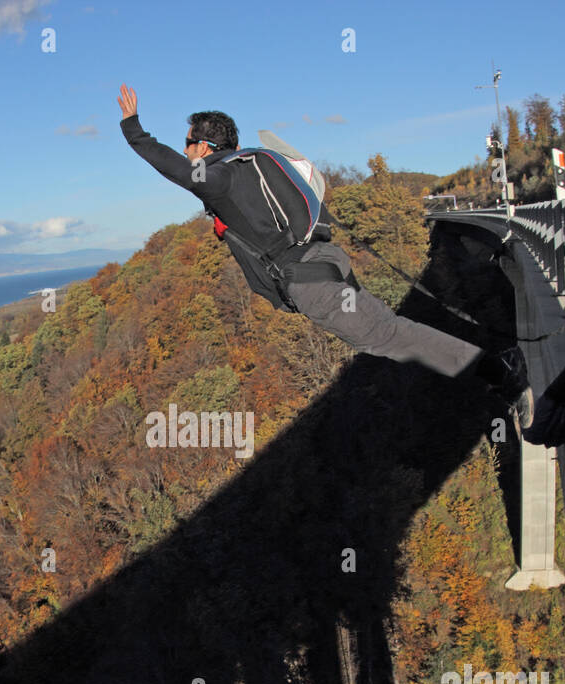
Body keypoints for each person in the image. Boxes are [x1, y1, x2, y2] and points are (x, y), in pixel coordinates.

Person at [115, 84, 533, 431]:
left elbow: (178, 171)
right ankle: (498, 367)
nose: (186, 150)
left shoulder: (219, 177)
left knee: (389, 335)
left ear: (204, 146)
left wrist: (134, 131)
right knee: (387, 331)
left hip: (311, 283)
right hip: (328, 262)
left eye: (188, 143)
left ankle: (502, 373)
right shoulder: (260, 164)